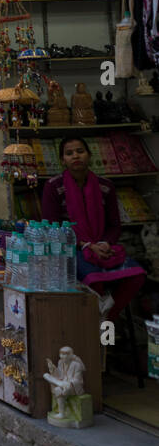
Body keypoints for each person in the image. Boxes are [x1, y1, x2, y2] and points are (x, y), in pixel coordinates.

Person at [42, 136, 145, 320]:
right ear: (62, 160)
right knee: (94, 280)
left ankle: (106, 316)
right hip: (72, 249)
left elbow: (114, 225)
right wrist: (85, 245)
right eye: (69, 153)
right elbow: (52, 227)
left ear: (89, 155)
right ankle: (94, 330)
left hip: (103, 246)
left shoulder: (106, 186)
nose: (76, 156)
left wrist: (105, 243)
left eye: (80, 151)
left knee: (136, 276)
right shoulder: (53, 187)